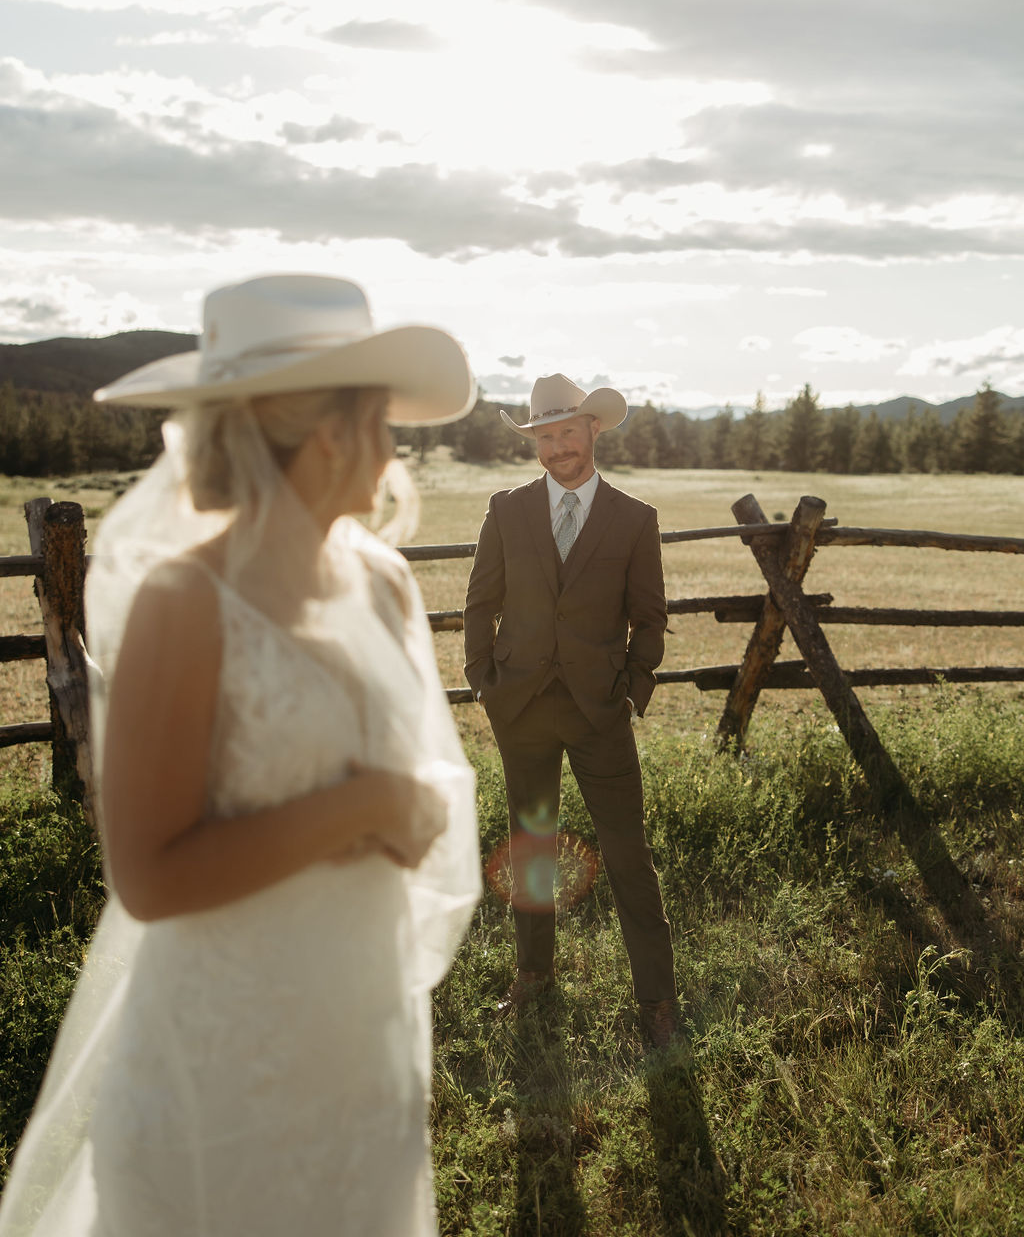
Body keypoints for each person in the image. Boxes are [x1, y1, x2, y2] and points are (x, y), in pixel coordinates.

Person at [0, 274, 481, 1237]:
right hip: (223, 1067)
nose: (396, 449)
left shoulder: (384, 586)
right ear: (326, 428)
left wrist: (415, 810)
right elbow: (147, 874)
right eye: (377, 418)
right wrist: (358, 809)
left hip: (362, 1038)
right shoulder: (187, 602)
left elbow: (413, 783)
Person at [463, 373, 680, 1049]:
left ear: (593, 431)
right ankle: (533, 973)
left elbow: (649, 618)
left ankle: (657, 1001)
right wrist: (485, 684)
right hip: (521, 709)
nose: (558, 447)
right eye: (545, 436)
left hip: (598, 714)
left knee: (627, 855)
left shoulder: (633, 519)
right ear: (535, 444)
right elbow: (480, 604)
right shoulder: (507, 511)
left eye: (568, 432)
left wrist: (630, 690)